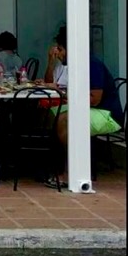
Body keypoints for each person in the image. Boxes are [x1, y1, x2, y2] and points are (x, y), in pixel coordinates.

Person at [46, 27, 123, 189]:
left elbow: (94, 99)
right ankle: (53, 166)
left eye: (60, 49)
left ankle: (71, 171)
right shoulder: (73, 65)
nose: (58, 53)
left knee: (64, 119)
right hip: (90, 108)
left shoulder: (91, 64)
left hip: (106, 113)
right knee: (50, 114)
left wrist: (62, 92)